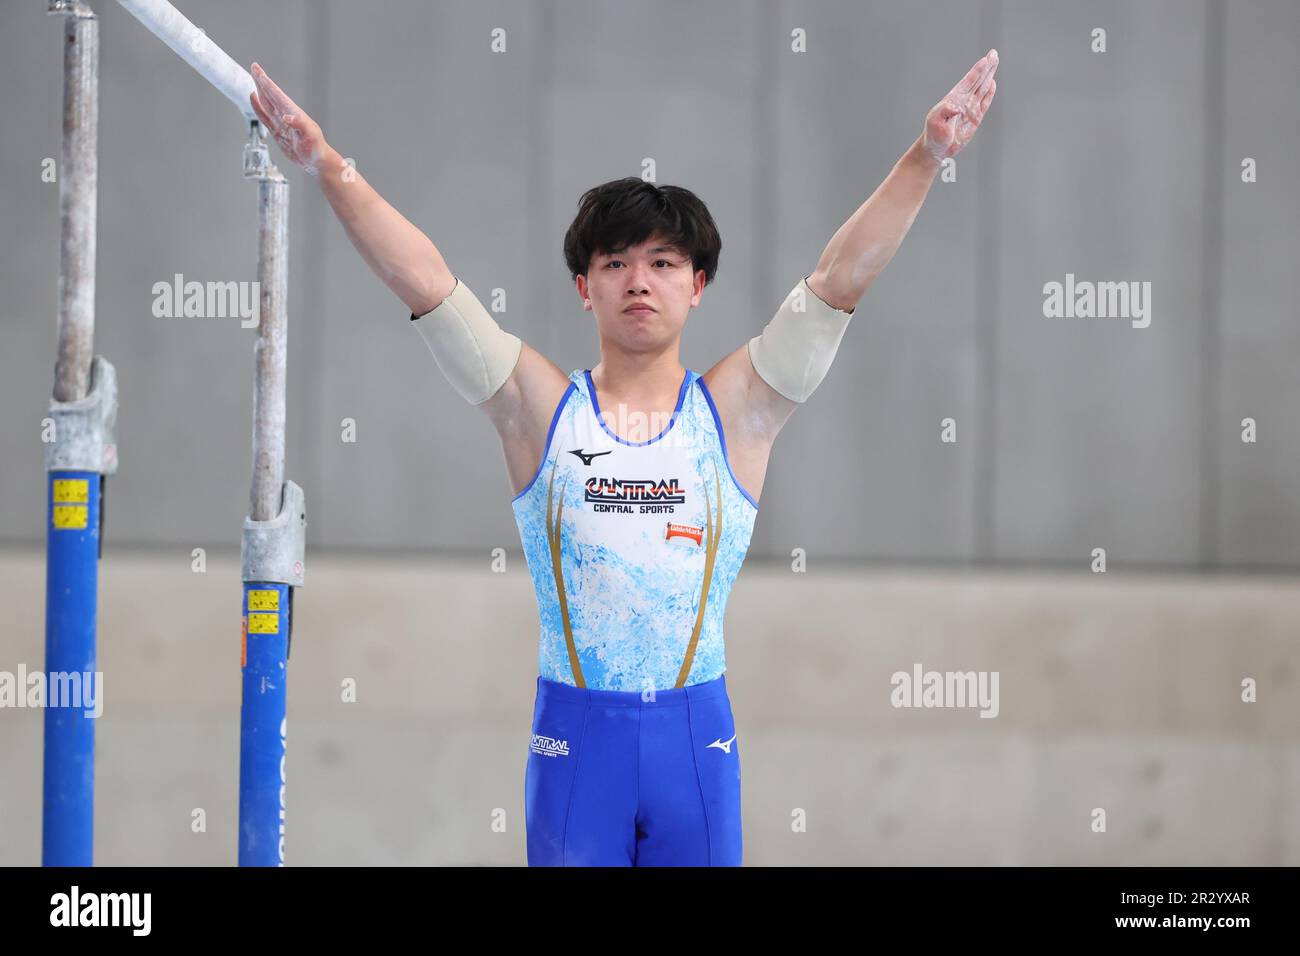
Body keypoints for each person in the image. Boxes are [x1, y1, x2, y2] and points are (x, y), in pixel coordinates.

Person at [247, 46, 998, 866]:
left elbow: (837, 282)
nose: (639, 281)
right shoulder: (536, 409)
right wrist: (325, 164)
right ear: (585, 286)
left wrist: (924, 158)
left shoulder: (740, 412)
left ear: (698, 283)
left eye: (663, 264)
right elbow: (427, 285)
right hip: (576, 747)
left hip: (695, 747)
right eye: (615, 264)